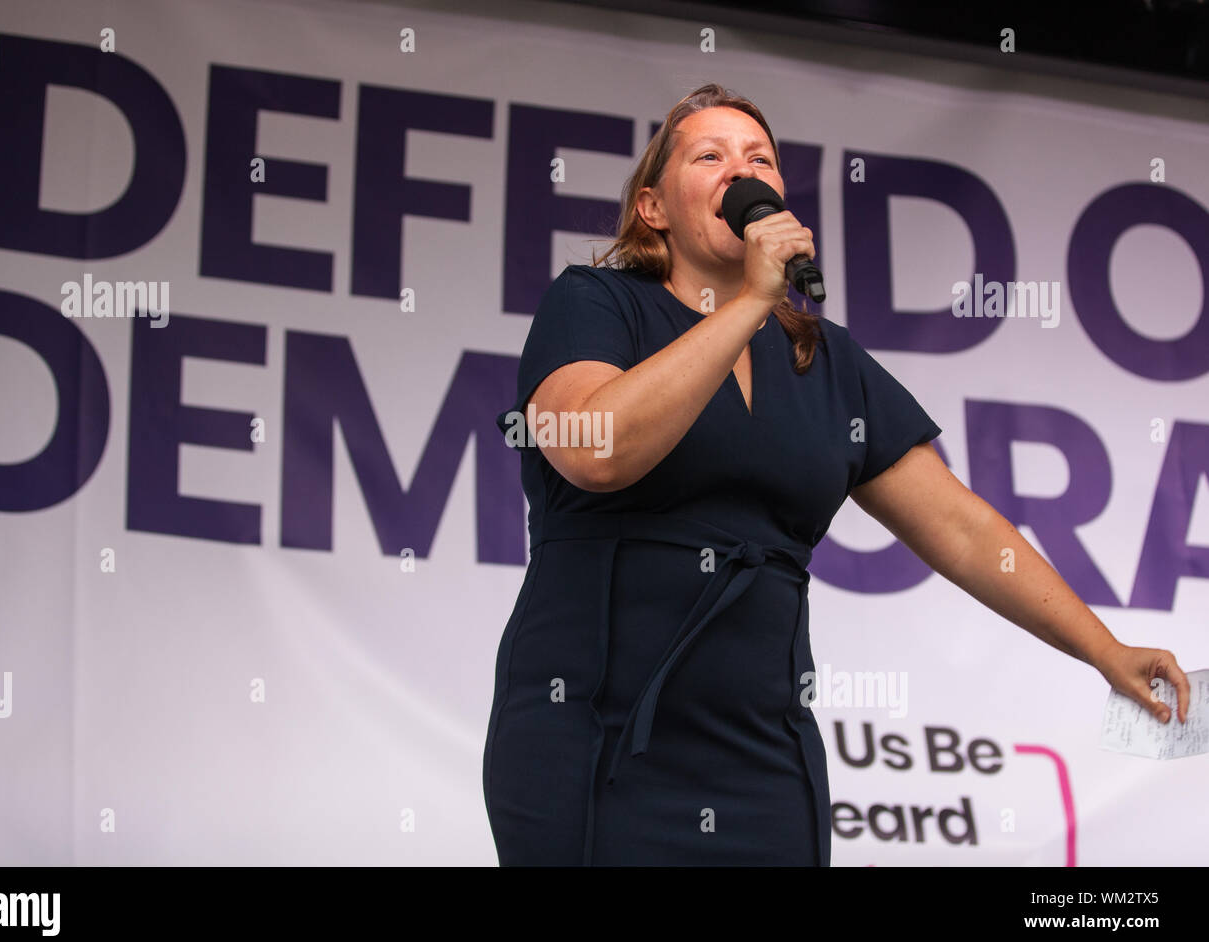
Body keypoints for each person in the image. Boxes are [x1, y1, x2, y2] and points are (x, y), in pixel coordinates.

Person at [481, 83, 1190, 866]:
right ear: (653, 207)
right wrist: (750, 300)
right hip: (594, 735)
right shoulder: (596, 304)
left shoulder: (821, 358)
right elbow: (595, 450)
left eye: (759, 159)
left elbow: (960, 528)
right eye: (709, 155)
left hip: (762, 755)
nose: (739, 170)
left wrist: (1104, 648)